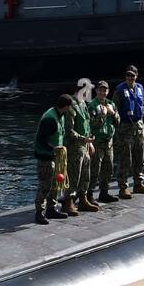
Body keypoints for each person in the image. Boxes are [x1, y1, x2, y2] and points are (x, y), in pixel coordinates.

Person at [33, 95, 74, 225]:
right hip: (45, 157)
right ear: (66, 106)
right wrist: (54, 149)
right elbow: (40, 139)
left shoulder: (59, 115)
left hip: (55, 157)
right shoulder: (50, 119)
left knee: (55, 184)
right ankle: (39, 213)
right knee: (45, 185)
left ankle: (51, 208)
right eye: (70, 107)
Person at [114, 66, 144, 197]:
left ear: (136, 75)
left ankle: (138, 183)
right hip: (126, 126)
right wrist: (117, 127)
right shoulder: (119, 90)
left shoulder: (140, 88)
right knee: (125, 158)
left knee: (139, 156)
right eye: (128, 75)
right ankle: (123, 186)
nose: (130, 78)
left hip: (139, 125)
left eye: (132, 75)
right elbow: (115, 109)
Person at [61, 87, 96, 215]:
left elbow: (87, 123)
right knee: (74, 175)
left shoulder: (83, 105)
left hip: (84, 146)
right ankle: (68, 202)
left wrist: (89, 142)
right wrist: (83, 139)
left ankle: (83, 199)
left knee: (85, 175)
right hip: (74, 147)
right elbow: (69, 131)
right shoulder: (71, 106)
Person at [88, 80, 120, 203]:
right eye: (100, 90)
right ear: (96, 91)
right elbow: (91, 126)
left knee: (109, 168)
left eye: (105, 90)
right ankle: (89, 194)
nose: (102, 92)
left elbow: (118, 122)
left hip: (109, 141)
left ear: (108, 91)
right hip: (97, 141)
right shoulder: (92, 105)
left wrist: (113, 113)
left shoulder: (111, 103)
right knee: (95, 169)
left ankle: (104, 192)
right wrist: (102, 116)